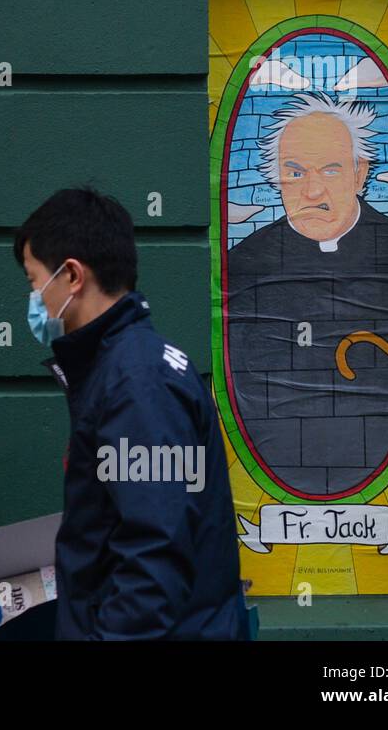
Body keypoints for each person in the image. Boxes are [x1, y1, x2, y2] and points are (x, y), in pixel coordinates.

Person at [15, 187, 251, 639]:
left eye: (33, 281)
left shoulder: (137, 385)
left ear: (71, 276)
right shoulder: (128, 369)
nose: (35, 300)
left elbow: (152, 561)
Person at [227, 92, 388, 496]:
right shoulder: (242, 266)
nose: (311, 191)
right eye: (294, 173)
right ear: (275, 176)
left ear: (360, 173)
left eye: (330, 171)